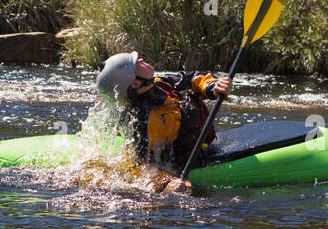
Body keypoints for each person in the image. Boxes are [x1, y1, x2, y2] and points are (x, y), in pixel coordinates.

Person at [95, 51, 232, 194]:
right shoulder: (141, 122)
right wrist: (167, 182)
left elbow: (190, 79)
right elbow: (140, 167)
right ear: (135, 83)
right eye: (136, 64)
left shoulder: (158, 83)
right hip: (184, 160)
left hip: (201, 146)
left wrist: (213, 87)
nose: (141, 59)